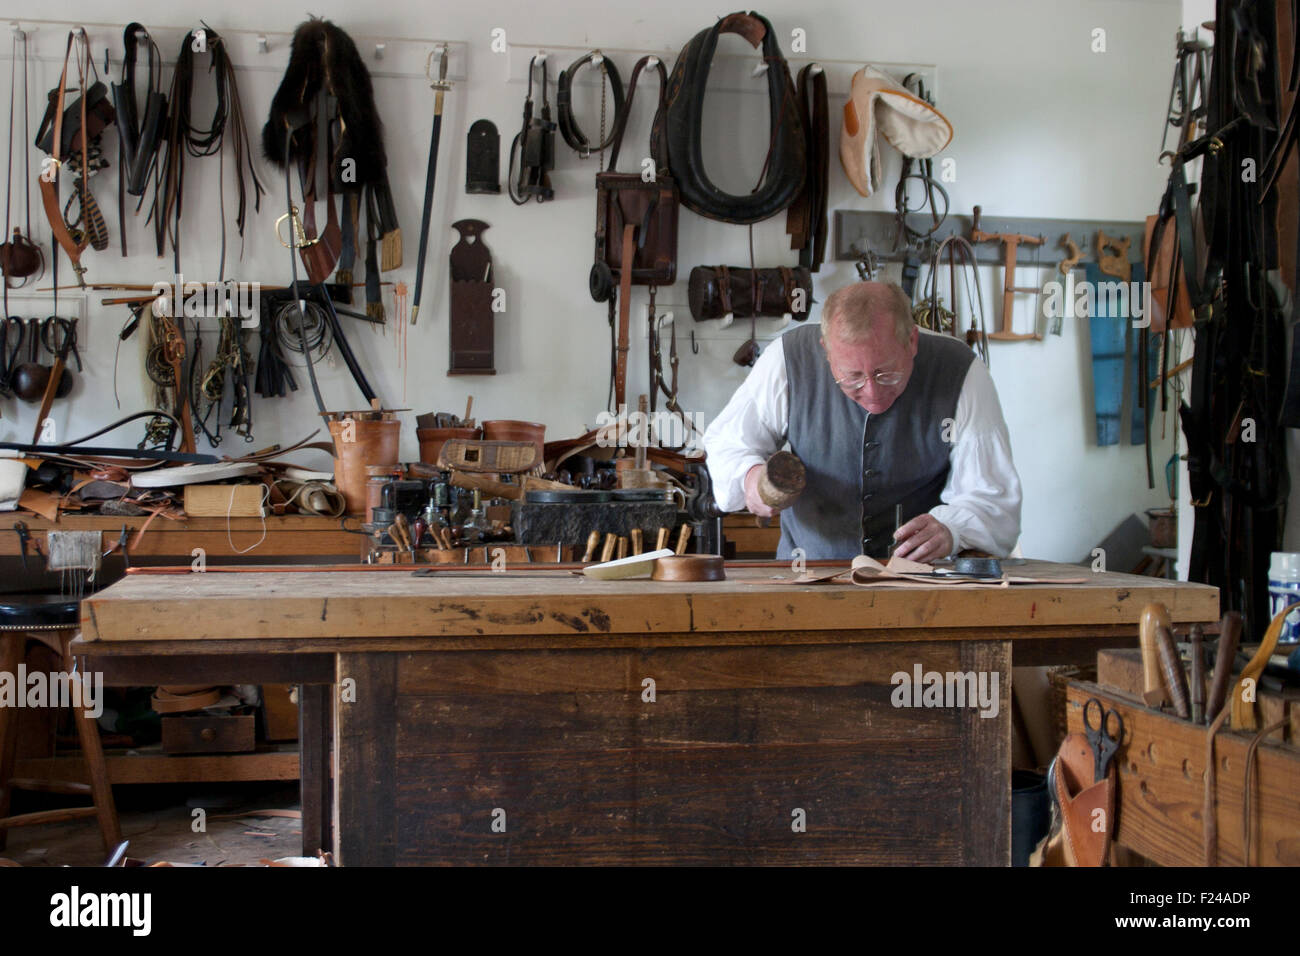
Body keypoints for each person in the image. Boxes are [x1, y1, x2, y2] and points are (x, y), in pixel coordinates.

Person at [704, 280, 1022, 562]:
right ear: (826, 350)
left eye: (886, 373)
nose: (871, 391)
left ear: (912, 341)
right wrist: (750, 478)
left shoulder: (962, 372)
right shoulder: (787, 360)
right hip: (806, 579)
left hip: (920, 586)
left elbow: (991, 497)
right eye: (852, 377)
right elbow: (727, 443)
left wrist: (952, 529)